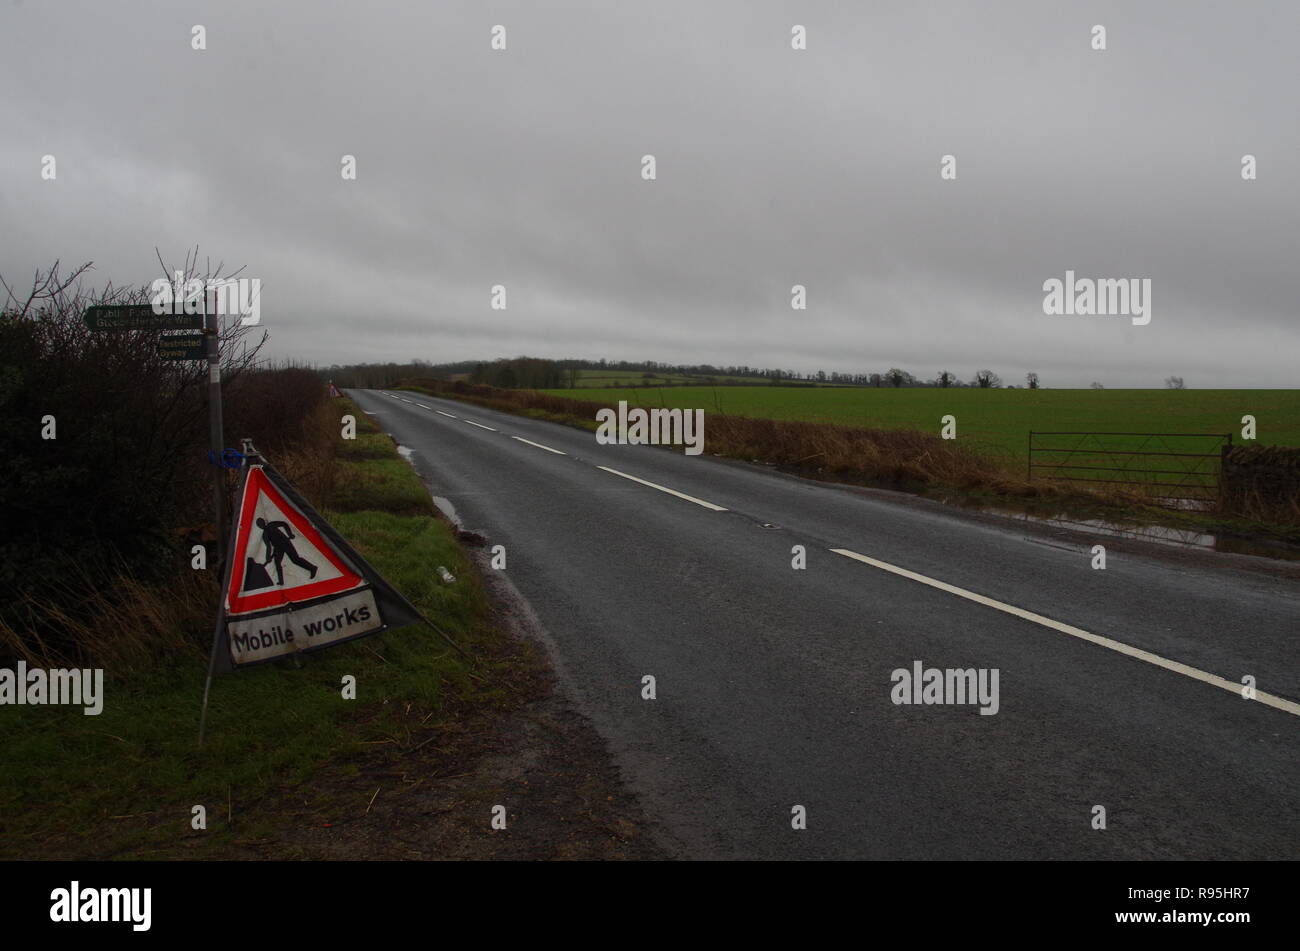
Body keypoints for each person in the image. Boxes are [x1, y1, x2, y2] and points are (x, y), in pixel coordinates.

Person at [256, 516, 317, 585]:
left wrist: (289, 534)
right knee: (277, 563)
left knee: (295, 559)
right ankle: (281, 581)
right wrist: (268, 557)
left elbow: (284, 524)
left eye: (261, 523)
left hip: (285, 543)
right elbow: (268, 547)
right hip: (278, 548)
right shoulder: (265, 535)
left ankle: (312, 568)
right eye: (259, 525)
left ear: (263, 522)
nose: (261, 525)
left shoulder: (271, 524)